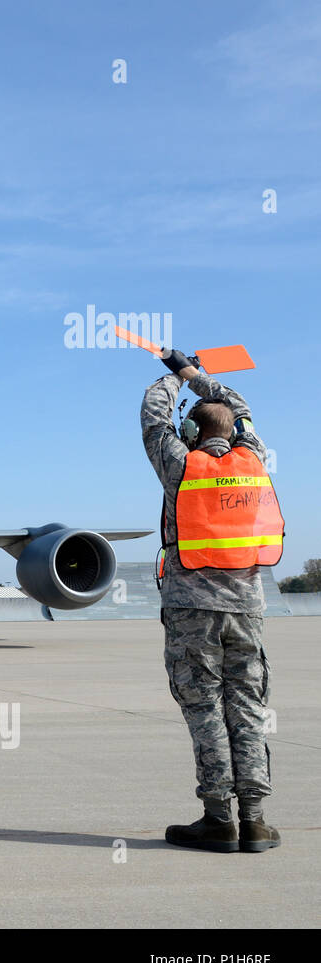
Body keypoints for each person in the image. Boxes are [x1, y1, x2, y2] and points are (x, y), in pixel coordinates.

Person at [141, 349, 284, 852]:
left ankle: (218, 818)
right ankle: (256, 821)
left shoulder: (181, 465)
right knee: (247, 707)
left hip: (191, 610)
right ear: (235, 430)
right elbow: (236, 404)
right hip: (248, 608)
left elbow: (152, 414)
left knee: (205, 709)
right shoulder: (256, 460)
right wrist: (197, 374)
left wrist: (171, 377)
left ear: (192, 432)